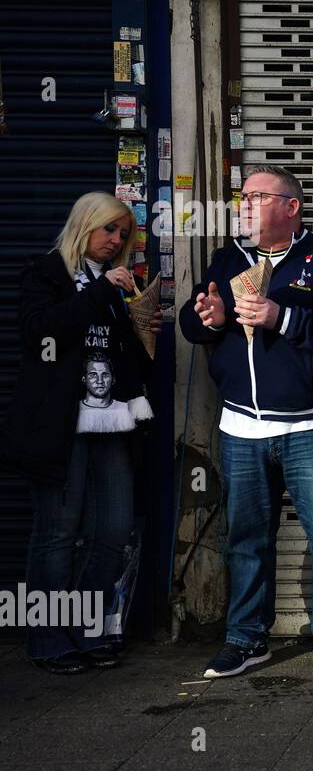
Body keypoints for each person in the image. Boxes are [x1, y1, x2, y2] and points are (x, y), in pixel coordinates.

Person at [179, 164, 313, 682]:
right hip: (243, 427)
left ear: (291, 207)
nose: (244, 204)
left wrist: (281, 318)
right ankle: (246, 639)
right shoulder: (227, 259)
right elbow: (192, 325)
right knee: (246, 538)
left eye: (258, 196)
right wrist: (207, 318)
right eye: (242, 196)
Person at [2, 191, 159, 673]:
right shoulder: (46, 273)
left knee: (112, 530)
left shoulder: (117, 284)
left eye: (123, 233)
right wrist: (98, 295)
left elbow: (116, 352)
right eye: (107, 229)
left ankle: (88, 629)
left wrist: (140, 328)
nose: (115, 240)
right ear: (83, 225)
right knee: (57, 533)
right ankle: (48, 640)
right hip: (60, 425)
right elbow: (41, 333)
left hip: (111, 418)